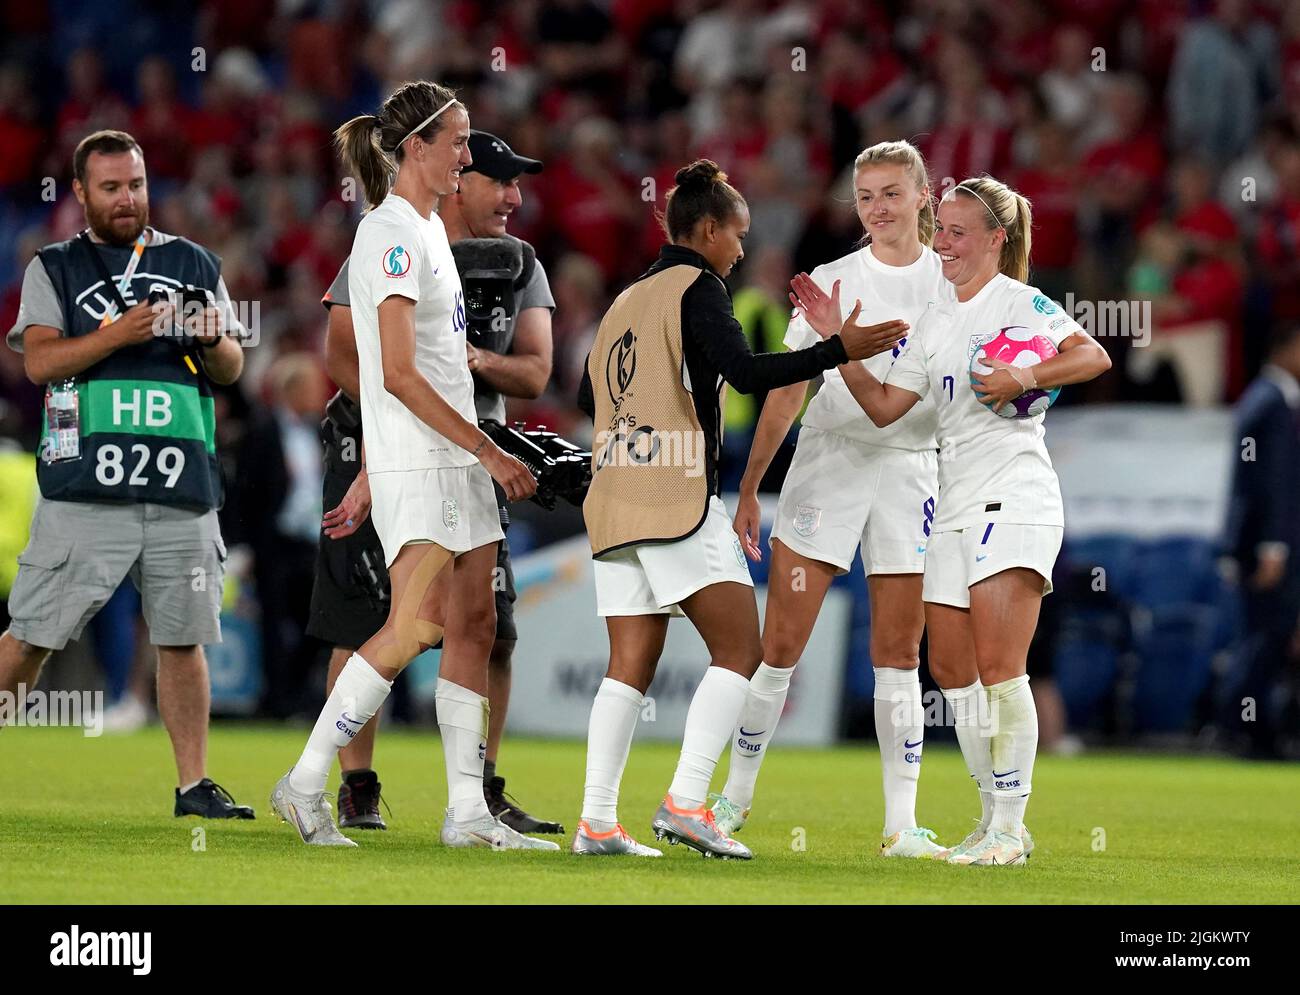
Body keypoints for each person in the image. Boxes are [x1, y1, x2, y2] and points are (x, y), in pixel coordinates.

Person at [574, 159, 908, 858]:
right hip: (672, 494)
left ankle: (597, 822)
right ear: (706, 231)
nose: (741, 249)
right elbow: (750, 373)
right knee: (742, 650)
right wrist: (834, 350)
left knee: (627, 663)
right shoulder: (699, 285)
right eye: (736, 235)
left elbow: (587, 396)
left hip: (611, 498)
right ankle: (687, 801)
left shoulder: (627, 297)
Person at [269, 80, 553, 851]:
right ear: (417, 148)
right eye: (458, 141)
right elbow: (394, 372)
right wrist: (485, 447)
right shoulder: (389, 233)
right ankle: (302, 783)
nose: (468, 154)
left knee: (475, 621)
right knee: (414, 624)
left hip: (448, 458)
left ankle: (467, 811)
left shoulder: (427, 230)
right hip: (428, 460)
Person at [813, 176, 1111, 866]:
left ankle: (1010, 824)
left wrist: (1024, 379)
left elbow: (1091, 355)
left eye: (954, 231)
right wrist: (839, 347)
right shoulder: (936, 316)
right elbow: (888, 407)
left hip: (1015, 491)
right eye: (938, 229)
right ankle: (990, 815)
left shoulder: (1019, 301)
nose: (940, 243)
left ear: (994, 239)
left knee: (1003, 667)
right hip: (951, 501)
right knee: (950, 667)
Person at [1, 129, 254, 818]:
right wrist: (123, 331)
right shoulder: (55, 267)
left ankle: (193, 785)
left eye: (136, 184)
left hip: (180, 482)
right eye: (110, 187)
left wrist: (212, 337)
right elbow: (41, 362)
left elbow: (232, 367)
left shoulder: (194, 261)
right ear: (80, 191)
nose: (127, 198)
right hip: (87, 483)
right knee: (29, 636)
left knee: (183, 636)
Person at [713, 140, 951, 858]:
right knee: (781, 644)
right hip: (830, 461)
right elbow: (789, 385)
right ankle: (733, 800)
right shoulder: (833, 280)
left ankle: (900, 825)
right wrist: (753, 482)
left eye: (890, 192)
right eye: (866, 196)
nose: (877, 208)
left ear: (921, 195)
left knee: (900, 651)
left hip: (911, 468)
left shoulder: (952, 281)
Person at [1218, 323, 1300, 758]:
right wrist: (1271, 547)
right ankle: (1240, 726)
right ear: (1284, 347)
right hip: (1269, 550)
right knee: (1262, 639)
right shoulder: (1271, 403)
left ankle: (1253, 728)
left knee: (1266, 638)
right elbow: (1269, 482)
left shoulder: (1266, 399)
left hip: (1263, 545)